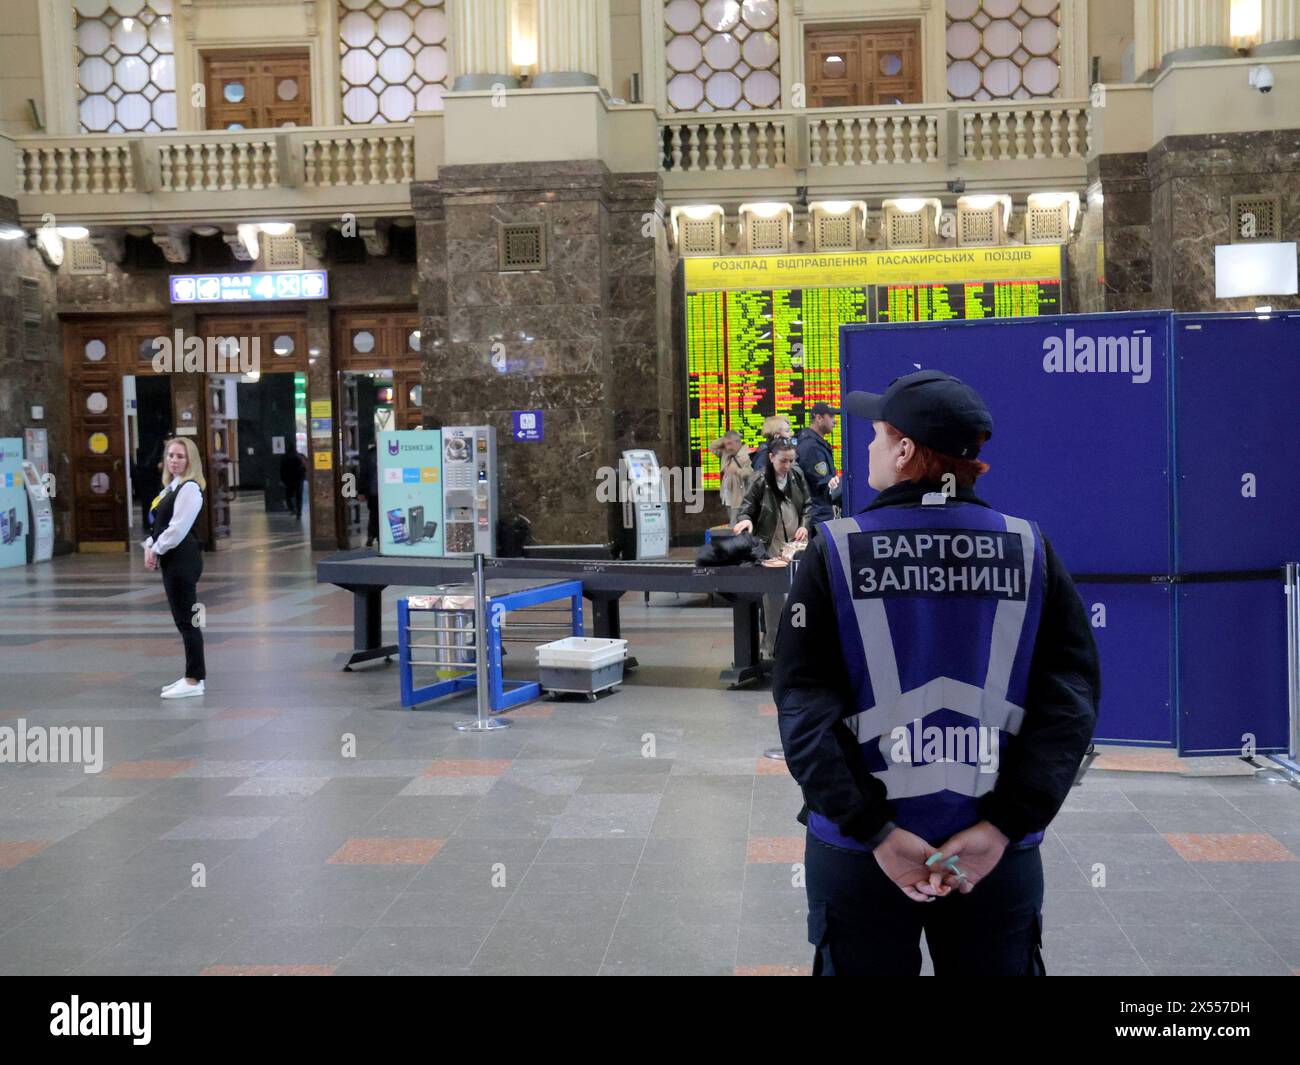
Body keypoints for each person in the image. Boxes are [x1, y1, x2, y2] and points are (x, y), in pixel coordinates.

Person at [773, 370, 1100, 976]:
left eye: (875, 435)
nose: (866, 448)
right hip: (994, 856)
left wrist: (875, 832)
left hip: (859, 853)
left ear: (903, 451)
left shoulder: (835, 550)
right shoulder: (1030, 548)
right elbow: (1070, 704)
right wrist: (1002, 828)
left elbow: (802, 707)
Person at [732, 437, 812, 658]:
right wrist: (747, 520)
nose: (787, 466)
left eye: (791, 460)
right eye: (783, 461)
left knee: (798, 596)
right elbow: (746, 509)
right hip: (770, 544)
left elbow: (807, 504)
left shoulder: (796, 476)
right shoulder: (760, 481)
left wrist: (805, 525)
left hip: (795, 546)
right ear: (771, 458)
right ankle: (775, 647)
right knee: (774, 600)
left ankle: (798, 644)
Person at [143, 437, 208, 700]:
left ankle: (194, 680)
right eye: (171, 455)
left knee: (188, 621)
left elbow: (178, 528)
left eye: (180, 456)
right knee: (183, 621)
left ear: (190, 460)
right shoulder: (171, 487)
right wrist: (150, 545)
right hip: (172, 558)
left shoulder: (190, 489)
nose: (174, 460)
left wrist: (156, 548)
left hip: (182, 558)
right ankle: (190, 677)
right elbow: (158, 523)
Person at [796, 401, 842, 529]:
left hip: (818, 514)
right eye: (831, 416)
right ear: (819, 418)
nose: (835, 421)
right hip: (817, 516)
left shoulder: (815, 443)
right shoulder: (811, 447)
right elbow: (822, 484)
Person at [709, 429, 754, 526]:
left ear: (738, 442)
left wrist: (737, 471)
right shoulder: (725, 453)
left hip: (739, 498)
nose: (728, 447)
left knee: (735, 525)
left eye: (730, 443)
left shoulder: (746, 454)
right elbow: (712, 446)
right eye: (726, 444)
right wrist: (726, 438)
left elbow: (752, 474)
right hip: (727, 497)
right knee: (732, 523)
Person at [358, 441, 380, 547]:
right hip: (385, 490)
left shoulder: (369, 455)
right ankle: (380, 536)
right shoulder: (388, 454)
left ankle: (371, 536)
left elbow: (363, 474)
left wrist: (361, 491)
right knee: (383, 513)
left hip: (373, 491)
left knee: (373, 514)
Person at [280, 443, 307, 520]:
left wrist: (282, 480)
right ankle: (299, 512)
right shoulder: (299, 457)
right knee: (299, 497)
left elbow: (282, 470)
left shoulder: (284, 458)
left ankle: (292, 509)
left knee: (288, 496)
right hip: (298, 480)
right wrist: (303, 476)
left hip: (288, 480)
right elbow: (304, 468)